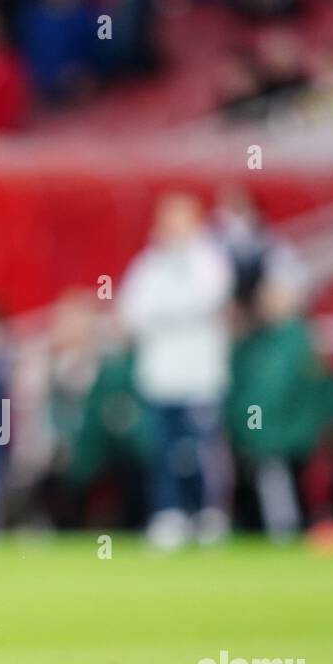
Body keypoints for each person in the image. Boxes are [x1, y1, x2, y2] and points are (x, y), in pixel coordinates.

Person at [118, 193, 234, 549]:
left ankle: (209, 513)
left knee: (202, 446)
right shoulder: (149, 264)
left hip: (200, 375)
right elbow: (131, 312)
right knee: (164, 449)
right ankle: (170, 513)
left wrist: (162, 312)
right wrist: (168, 312)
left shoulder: (209, 259)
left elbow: (206, 299)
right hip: (161, 376)